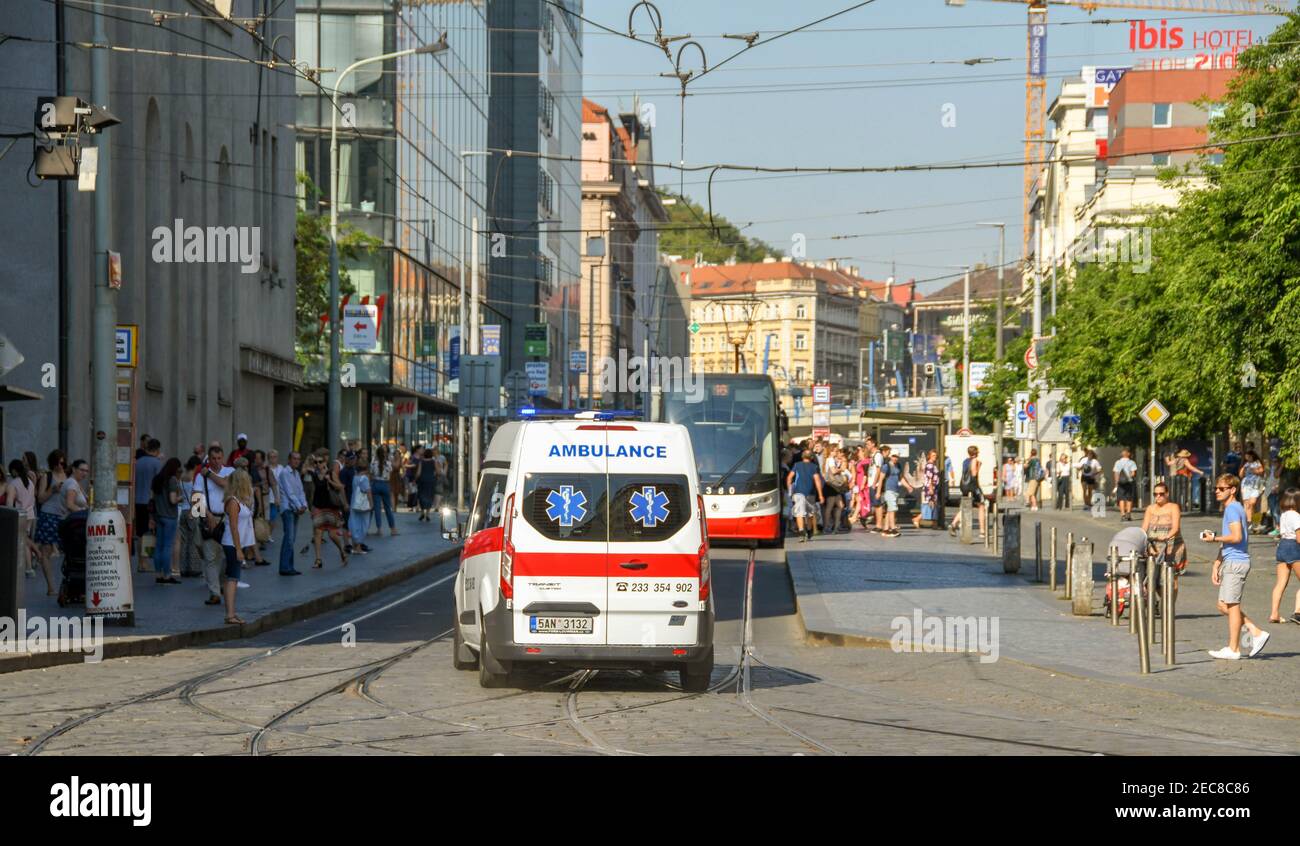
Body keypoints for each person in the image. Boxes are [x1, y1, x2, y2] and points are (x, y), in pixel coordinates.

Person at [1202, 474, 1269, 660]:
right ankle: (1256, 632)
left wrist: (1213, 538)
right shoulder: (1234, 508)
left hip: (1236, 561)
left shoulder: (1232, 509)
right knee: (1223, 605)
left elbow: (1237, 537)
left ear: (1232, 490)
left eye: (1221, 489)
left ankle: (1234, 649)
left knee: (1231, 605)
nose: (1217, 491)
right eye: (1216, 488)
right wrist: (1217, 562)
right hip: (1231, 560)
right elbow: (1231, 540)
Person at [195, 445, 234, 606]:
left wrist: (209, 474)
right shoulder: (200, 477)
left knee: (227, 556)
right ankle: (214, 593)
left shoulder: (229, 471)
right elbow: (196, 498)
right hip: (210, 518)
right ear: (208, 459)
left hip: (228, 519)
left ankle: (222, 583)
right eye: (213, 459)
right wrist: (207, 514)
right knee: (210, 558)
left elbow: (226, 485)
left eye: (219, 458)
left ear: (223, 458)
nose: (217, 462)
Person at [219, 470, 256, 625]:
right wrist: (239, 549)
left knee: (232, 578)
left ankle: (231, 613)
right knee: (233, 578)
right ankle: (230, 614)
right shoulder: (233, 502)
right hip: (232, 543)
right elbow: (234, 527)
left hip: (235, 543)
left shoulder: (239, 500)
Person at [1141, 481, 1187, 597]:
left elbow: (1176, 527)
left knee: (1172, 578)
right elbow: (1144, 528)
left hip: (1172, 547)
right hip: (1154, 547)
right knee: (1153, 577)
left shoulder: (1173, 507)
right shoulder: (1150, 509)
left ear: (1167, 494)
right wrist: (1141, 539)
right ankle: (1163, 603)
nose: (1158, 496)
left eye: (1161, 494)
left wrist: (1166, 537)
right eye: (1155, 494)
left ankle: (1170, 608)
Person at [33, 450, 69, 595]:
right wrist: (52, 490)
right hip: (48, 515)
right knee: (45, 551)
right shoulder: (47, 477)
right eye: (59, 463)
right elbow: (40, 498)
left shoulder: (69, 477)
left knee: (69, 551)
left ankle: (66, 583)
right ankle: (50, 586)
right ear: (53, 463)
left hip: (65, 517)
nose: (61, 465)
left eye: (63, 462)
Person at [306, 449, 348, 568]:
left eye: (320, 462)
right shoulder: (314, 474)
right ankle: (318, 560)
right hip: (318, 506)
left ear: (325, 462)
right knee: (317, 532)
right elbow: (305, 471)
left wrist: (329, 480)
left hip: (330, 507)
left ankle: (342, 551)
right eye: (316, 463)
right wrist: (311, 507)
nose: (318, 465)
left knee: (332, 535)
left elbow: (340, 487)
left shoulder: (330, 473)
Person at [4, 459, 41, 587]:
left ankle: (28, 567)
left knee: (22, 541)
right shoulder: (29, 482)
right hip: (30, 514)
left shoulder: (13, 483)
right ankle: (29, 566)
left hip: (19, 515)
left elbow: (9, 502)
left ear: (14, 470)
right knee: (24, 540)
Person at [1268, 488, 1300, 625]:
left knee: (1280, 583)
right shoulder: (1297, 516)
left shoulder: (1284, 515)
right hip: (1294, 547)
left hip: (1282, 546)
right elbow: (1299, 538)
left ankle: (1274, 613)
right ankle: (1298, 611)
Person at [274, 451, 308, 575]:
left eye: (298, 459)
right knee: (288, 538)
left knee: (291, 539)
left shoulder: (296, 473)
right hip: (288, 509)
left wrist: (304, 505)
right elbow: (289, 493)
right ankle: (284, 568)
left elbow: (301, 491)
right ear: (289, 459)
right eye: (294, 459)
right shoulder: (284, 473)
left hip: (295, 509)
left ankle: (289, 566)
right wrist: (299, 506)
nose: (296, 461)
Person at [150, 457, 182, 584]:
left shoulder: (157, 479)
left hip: (159, 516)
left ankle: (158, 574)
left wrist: (152, 517)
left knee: (158, 546)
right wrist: (181, 498)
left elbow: (152, 499)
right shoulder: (172, 480)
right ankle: (167, 575)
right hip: (170, 517)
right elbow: (173, 500)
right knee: (168, 546)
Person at [133, 438, 162, 570]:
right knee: (150, 532)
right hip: (151, 502)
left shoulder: (137, 463)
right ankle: (146, 562)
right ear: (157, 450)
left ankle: (140, 561)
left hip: (137, 501)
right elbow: (159, 486)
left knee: (140, 533)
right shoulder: (157, 463)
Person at [948, 445, 986, 539]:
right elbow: (974, 473)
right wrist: (978, 465)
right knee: (981, 506)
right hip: (973, 486)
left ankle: (953, 524)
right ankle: (982, 531)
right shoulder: (975, 460)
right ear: (976, 453)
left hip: (964, 486)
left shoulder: (965, 461)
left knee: (966, 506)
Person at [786, 450, 824, 543]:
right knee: (810, 513)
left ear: (802, 456)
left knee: (799, 512)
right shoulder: (814, 467)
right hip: (810, 493)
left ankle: (801, 532)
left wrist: (789, 490)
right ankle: (809, 530)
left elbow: (789, 477)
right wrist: (820, 495)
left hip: (798, 492)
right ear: (811, 457)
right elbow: (817, 480)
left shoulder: (797, 465)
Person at [876, 447, 913, 538]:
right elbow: (880, 480)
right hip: (889, 490)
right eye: (893, 456)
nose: (895, 458)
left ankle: (885, 529)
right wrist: (878, 492)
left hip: (896, 490)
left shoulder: (898, 466)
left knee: (890, 510)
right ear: (890, 456)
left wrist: (908, 486)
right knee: (892, 509)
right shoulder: (886, 466)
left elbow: (900, 478)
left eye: (896, 456)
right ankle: (893, 528)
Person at [177, 457, 204, 578]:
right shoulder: (195, 478)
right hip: (193, 510)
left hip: (183, 510)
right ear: (196, 465)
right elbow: (197, 496)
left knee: (184, 541)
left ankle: (183, 568)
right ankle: (194, 568)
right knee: (194, 541)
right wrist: (199, 513)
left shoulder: (182, 477)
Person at [371, 445, 398, 537]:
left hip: (376, 484)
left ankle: (379, 529)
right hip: (385, 484)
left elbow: (371, 474)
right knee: (388, 508)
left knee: (377, 509)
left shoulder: (373, 463)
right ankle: (393, 529)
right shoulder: (388, 463)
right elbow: (390, 473)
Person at [348, 461, 373, 552]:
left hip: (354, 503)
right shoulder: (364, 478)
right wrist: (371, 504)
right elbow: (368, 492)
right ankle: (358, 547)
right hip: (363, 505)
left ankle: (355, 546)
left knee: (355, 523)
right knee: (364, 524)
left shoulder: (355, 477)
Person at [1239, 450, 1266, 533]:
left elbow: (1261, 472)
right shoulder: (1245, 464)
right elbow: (1240, 475)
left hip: (1255, 485)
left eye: (1249, 456)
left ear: (1252, 456)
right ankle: (1249, 523)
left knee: (1253, 503)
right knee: (1246, 505)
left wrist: (1252, 469)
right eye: (1246, 456)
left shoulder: (1257, 462)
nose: (1247, 458)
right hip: (1246, 485)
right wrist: (1243, 468)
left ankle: (1253, 523)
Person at [913, 449, 940, 530]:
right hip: (930, 488)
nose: (934, 457)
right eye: (933, 455)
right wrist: (931, 488)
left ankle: (935, 523)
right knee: (929, 505)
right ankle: (917, 519)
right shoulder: (930, 465)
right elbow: (929, 477)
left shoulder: (933, 465)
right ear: (929, 456)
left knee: (933, 505)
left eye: (935, 455)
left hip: (934, 488)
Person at [1113, 448, 1139, 522]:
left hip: (1120, 483)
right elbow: (1133, 473)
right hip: (1129, 482)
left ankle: (1123, 515)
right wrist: (1128, 477)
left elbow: (1116, 473)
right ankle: (1128, 514)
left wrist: (1116, 483)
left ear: (1122, 454)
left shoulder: (1117, 462)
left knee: (1121, 498)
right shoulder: (1132, 462)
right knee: (1129, 498)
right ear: (1128, 454)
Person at [415, 447, 439, 522]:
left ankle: (422, 512)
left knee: (421, 495)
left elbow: (418, 473)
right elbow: (438, 471)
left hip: (422, 480)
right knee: (430, 496)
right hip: (431, 480)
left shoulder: (421, 462)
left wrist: (415, 479)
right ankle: (428, 514)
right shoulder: (433, 461)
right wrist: (434, 475)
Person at [1077, 449, 1101, 513]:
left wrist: (1094, 474)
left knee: (1090, 491)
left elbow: (1099, 469)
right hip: (1084, 476)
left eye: (1090, 455)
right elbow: (1079, 467)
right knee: (1084, 490)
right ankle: (1085, 503)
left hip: (1091, 477)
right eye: (1088, 454)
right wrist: (1079, 468)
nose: (1089, 456)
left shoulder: (1095, 461)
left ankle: (1089, 502)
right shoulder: (1084, 460)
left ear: (1092, 455)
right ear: (1087, 455)